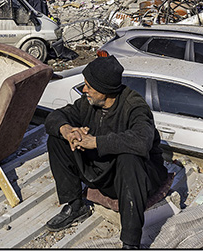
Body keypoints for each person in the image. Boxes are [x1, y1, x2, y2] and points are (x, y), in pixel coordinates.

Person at [44, 56, 168, 249]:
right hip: (102, 171)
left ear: (105, 90)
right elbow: (55, 116)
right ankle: (75, 206)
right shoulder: (87, 103)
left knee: (129, 158)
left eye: (88, 86)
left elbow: (141, 141)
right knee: (57, 139)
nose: (84, 90)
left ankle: (130, 242)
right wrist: (68, 131)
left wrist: (95, 142)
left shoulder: (134, 106)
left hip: (136, 178)